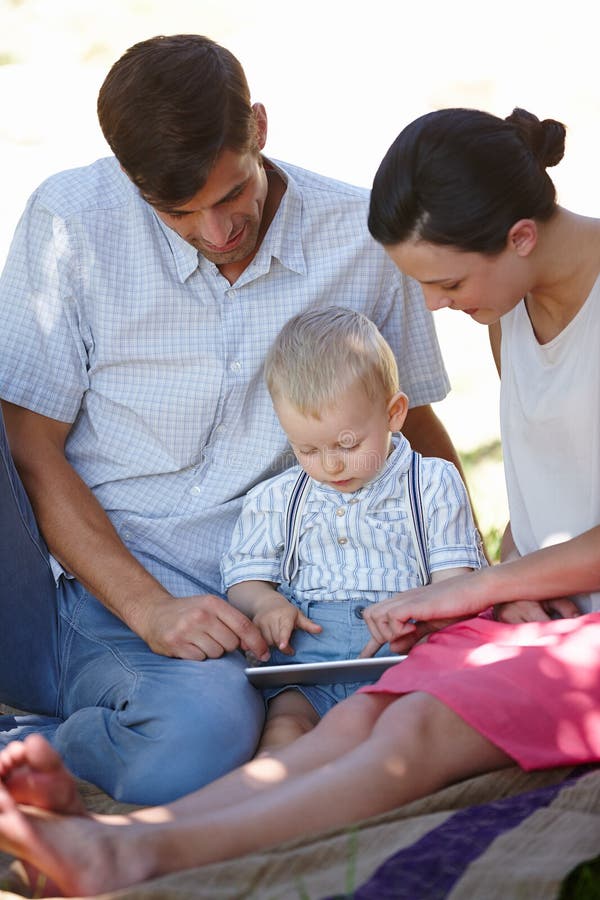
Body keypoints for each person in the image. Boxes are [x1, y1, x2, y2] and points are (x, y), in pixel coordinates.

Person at [5, 104, 596, 896]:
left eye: (447, 282)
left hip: (568, 617)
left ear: (520, 236)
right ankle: (122, 836)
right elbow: (559, 488)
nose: (430, 306)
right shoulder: (512, 308)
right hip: (552, 606)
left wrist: (486, 584)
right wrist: (515, 575)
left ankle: (135, 857)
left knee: (416, 726)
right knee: (358, 716)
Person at [0, 35, 459, 805]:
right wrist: (151, 611)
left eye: (230, 194)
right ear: (131, 181)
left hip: (297, 598)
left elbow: (412, 427)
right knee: (197, 751)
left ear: (260, 128)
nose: (217, 234)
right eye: (179, 213)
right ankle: (30, 746)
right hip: (109, 586)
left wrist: (463, 583)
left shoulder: (359, 235)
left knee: (427, 719)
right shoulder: (72, 223)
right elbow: (27, 449)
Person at [223, 306, 484, 750]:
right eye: (306, 448)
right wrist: (265, 603)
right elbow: (243, 577)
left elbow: (456, 585)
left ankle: (368, 792)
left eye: (347, 444)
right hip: (306, 668)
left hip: (400, 661)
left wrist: (421, 612)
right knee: (285, 729)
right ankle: (279, 806)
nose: (330, 465)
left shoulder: (431, 484)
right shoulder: (277, 497)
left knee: (400, 735)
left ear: (394, 413)